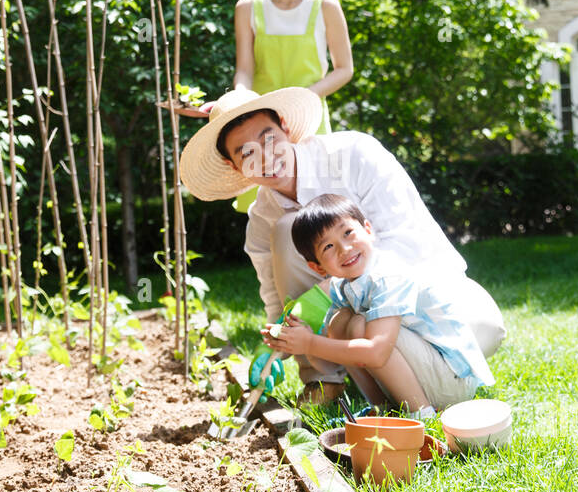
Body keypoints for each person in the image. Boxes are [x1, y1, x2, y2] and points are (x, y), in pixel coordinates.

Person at [179, 86, 505, 406]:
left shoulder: (353, 154)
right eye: (246, 153)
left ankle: (393, 373)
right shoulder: (262, 220)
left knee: (487, 331)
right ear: (234, 167)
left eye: (269, 138)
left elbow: (404, 240)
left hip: (425, 287)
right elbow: (276, 298)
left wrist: (323, 295)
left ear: (285, 127)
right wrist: (275, 343)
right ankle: (325, 378)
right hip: (355, 309)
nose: (265, 157)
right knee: (288, 232)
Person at [263, 194, 494, 414]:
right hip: (427, 374)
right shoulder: (345, 286)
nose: (345, 248)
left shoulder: (386, 275)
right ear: (318, 268)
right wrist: (288, 339)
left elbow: (376, 352)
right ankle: (383, 410)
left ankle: (422, 415)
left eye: (348, 233)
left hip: (452, 380)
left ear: (368, 230)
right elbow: (328, 349)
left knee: (359, 327)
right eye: (328, 247)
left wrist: (310, 343)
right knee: (339, 322)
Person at [228, 0, 354, 215]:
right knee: (266, 216)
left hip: (309, 121)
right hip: (261, 126)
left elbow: (344, 69)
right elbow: (244, 69)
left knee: (318, 214)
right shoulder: (248, 6)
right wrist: (239, 100)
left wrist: (301, 101)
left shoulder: (325, 4)